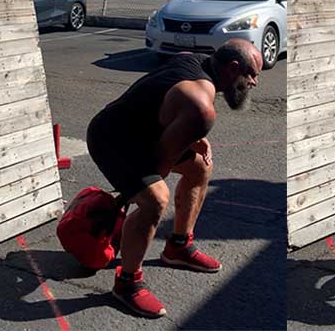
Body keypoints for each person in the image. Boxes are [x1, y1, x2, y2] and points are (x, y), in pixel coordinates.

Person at [87, 39, 261, 318]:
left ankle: (178, 246)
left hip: (142, 131)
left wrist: (192, 135)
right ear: (232, 68)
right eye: (251, 75)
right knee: (155, 200)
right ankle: (127, 284)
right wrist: (133, 196)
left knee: (200, 168)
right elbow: (160, 162)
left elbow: (165, 97)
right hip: (112, 138)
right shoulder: (202, 108)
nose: (254, 83)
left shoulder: (199, 61)